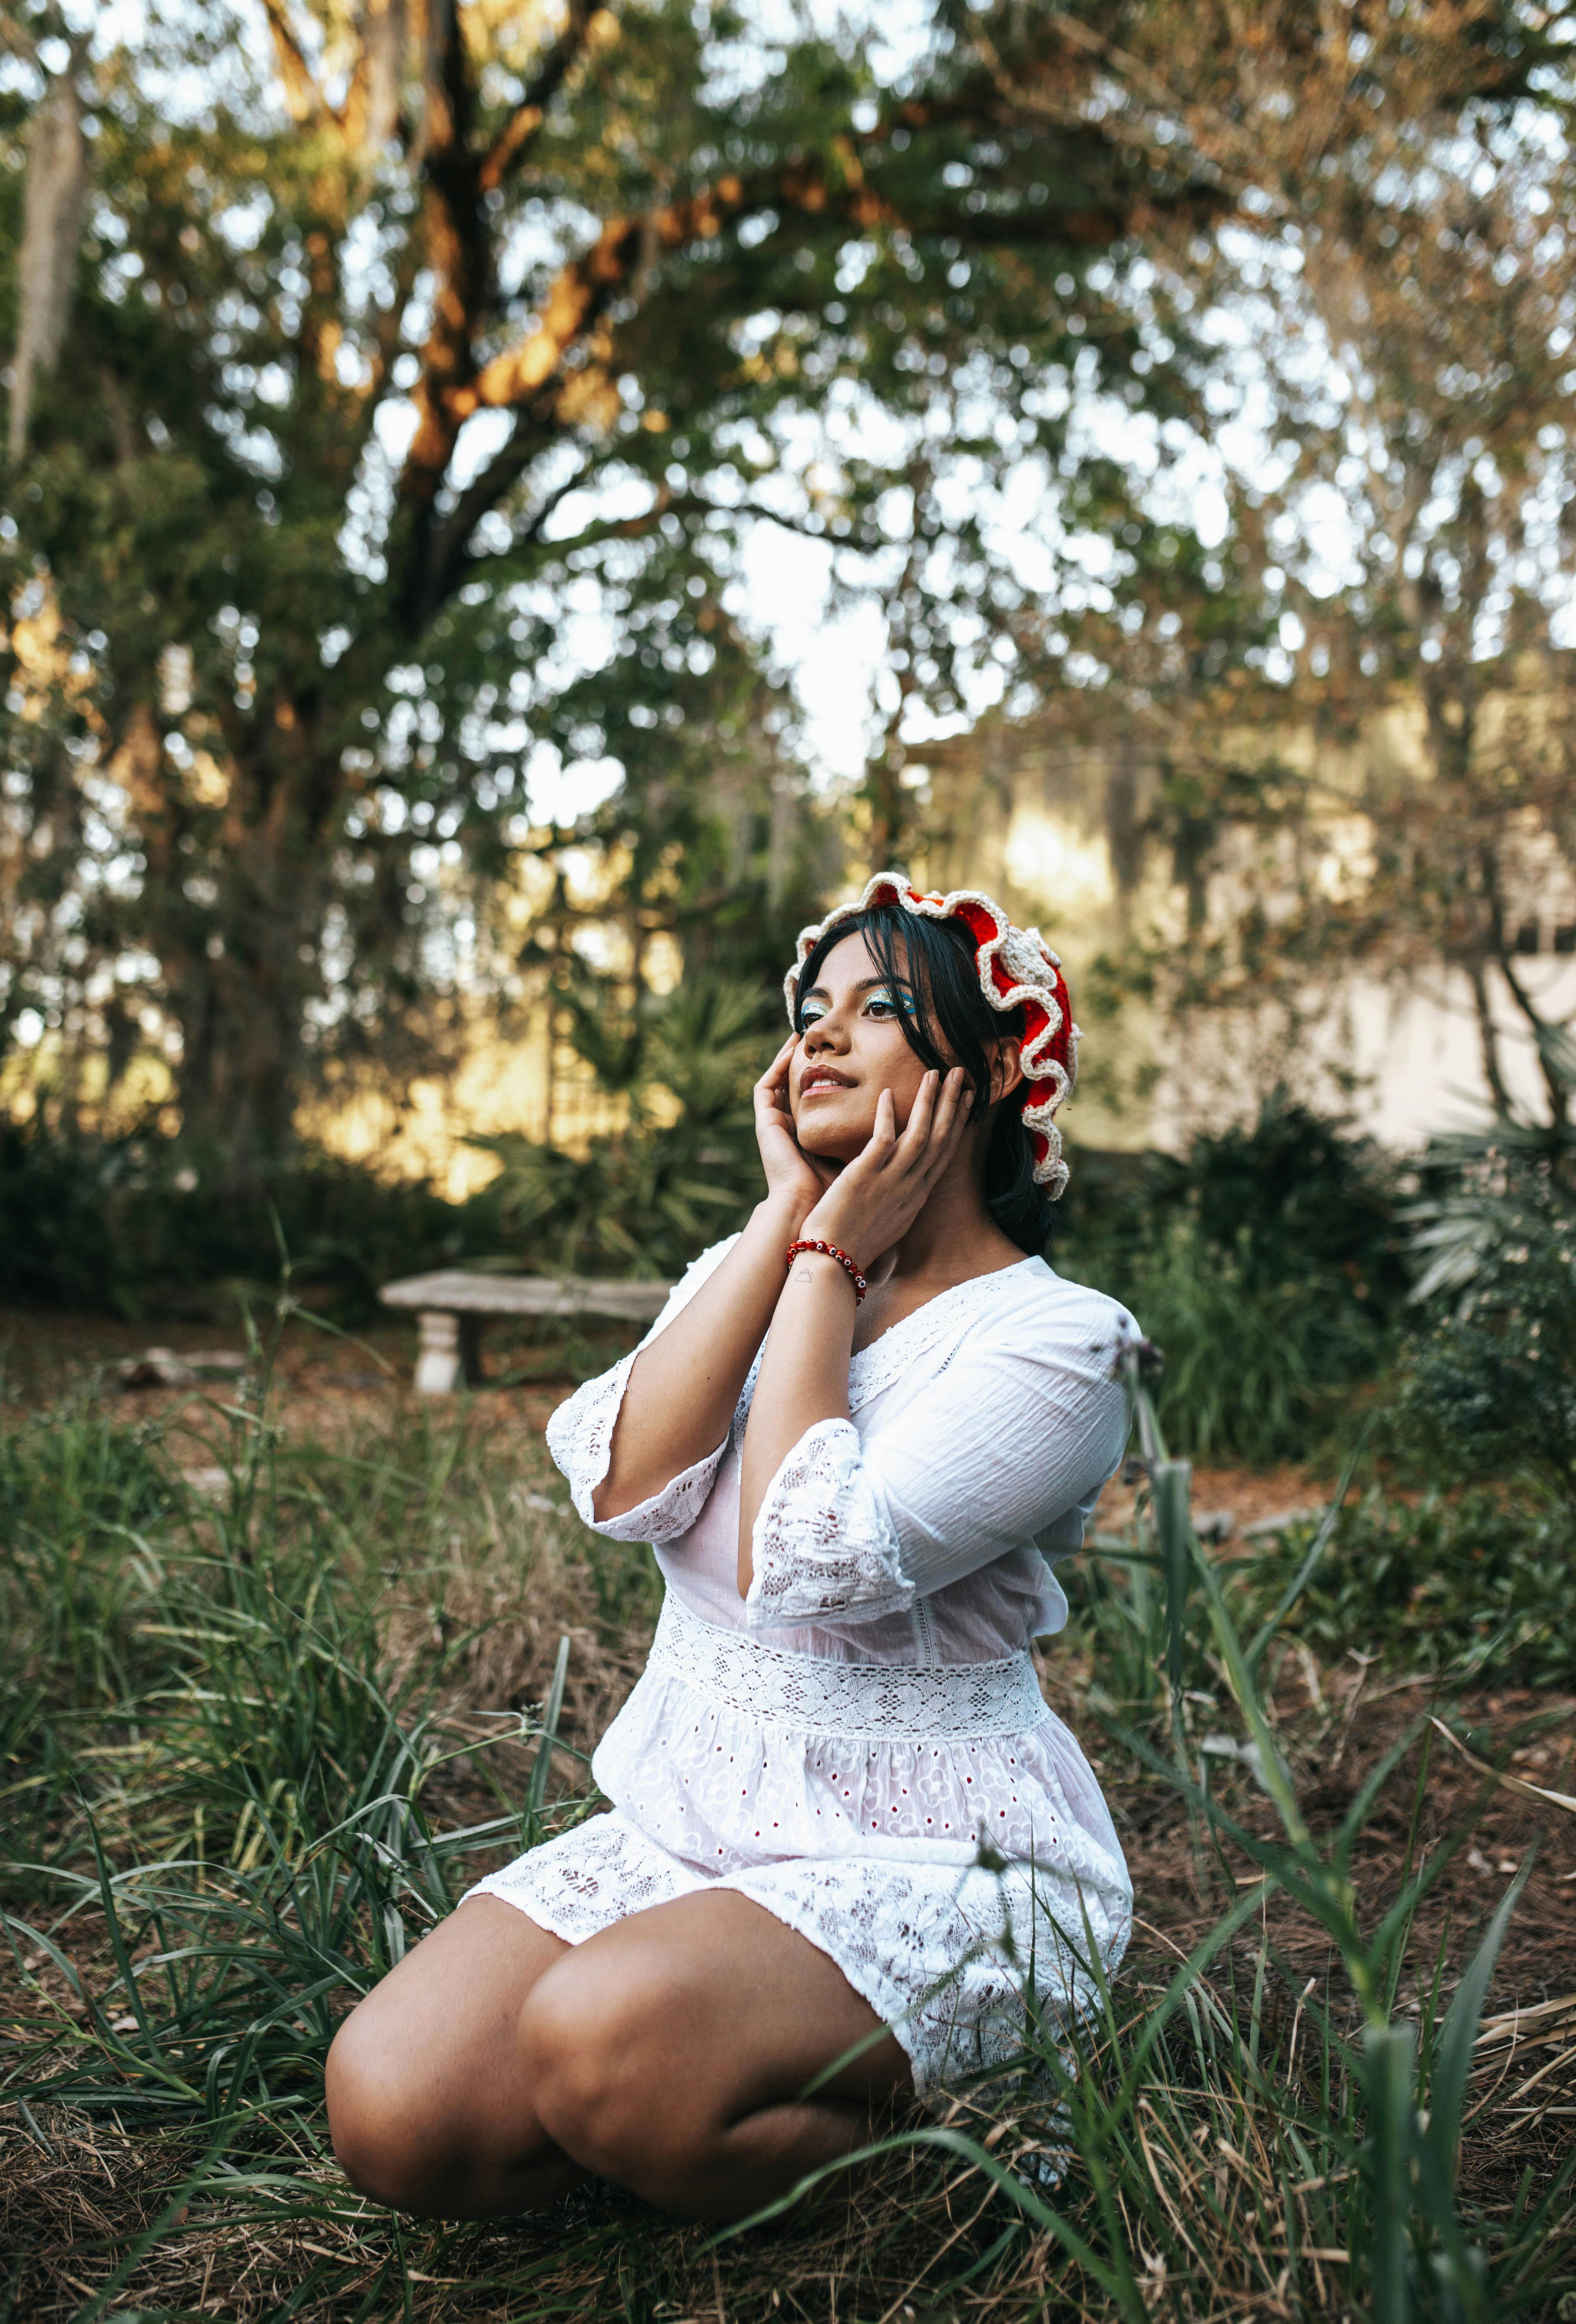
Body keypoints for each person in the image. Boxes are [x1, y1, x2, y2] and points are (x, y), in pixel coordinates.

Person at [325, 872, 1138, 2224]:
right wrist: (785, 1231)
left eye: (880, 1010)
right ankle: (686, 2112)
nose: (818, 1036)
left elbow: (802, 1562)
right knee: (397, 2108)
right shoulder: (758, 1259)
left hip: (940, 1859)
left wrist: (826, 1264)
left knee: (605, 2044)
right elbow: (628, 1485)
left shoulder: (1057, 1343)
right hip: (708, 1824)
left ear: (996, 1066)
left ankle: (982, 2156)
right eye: (811, 1011)